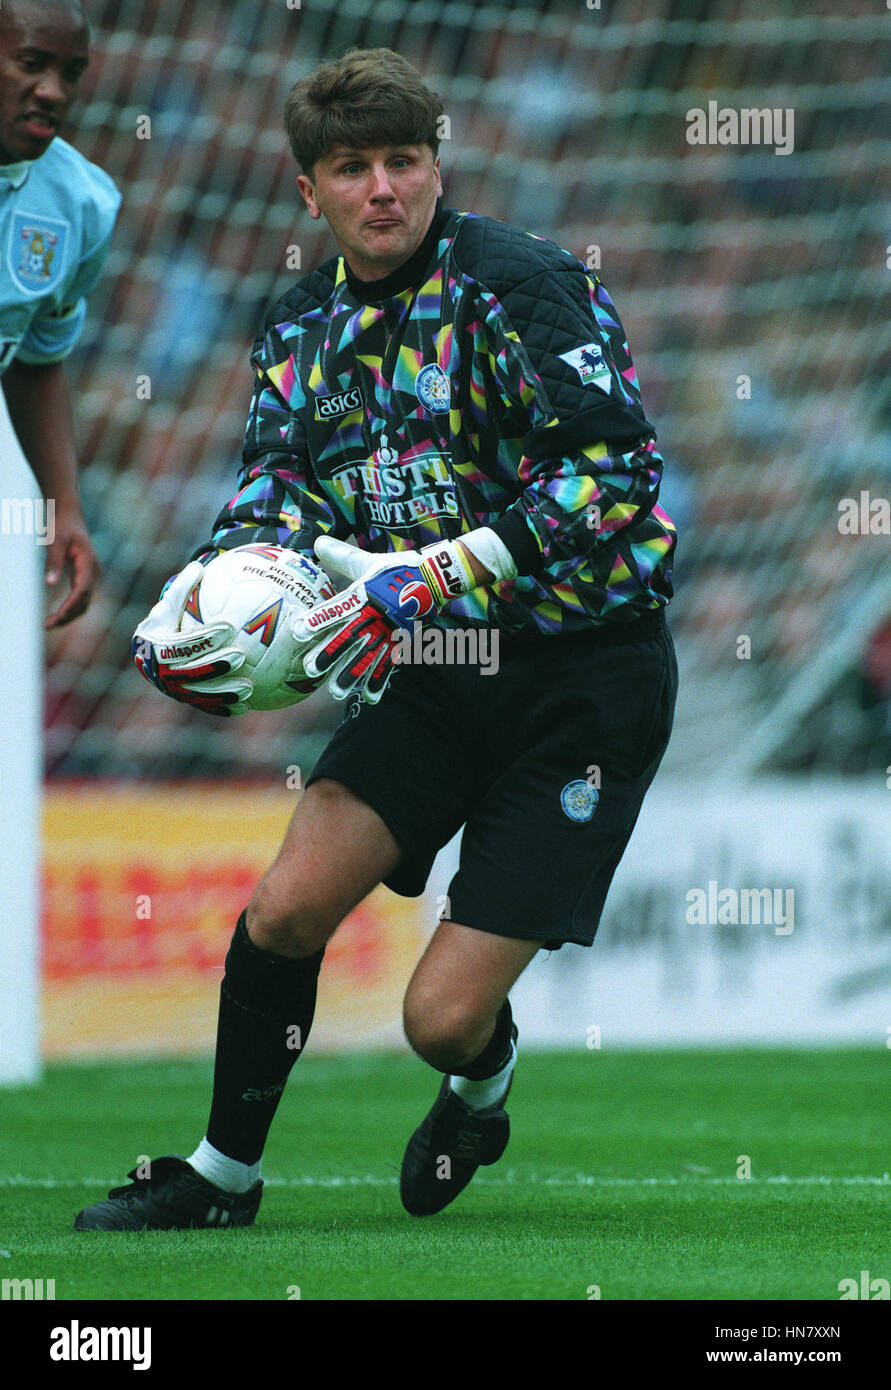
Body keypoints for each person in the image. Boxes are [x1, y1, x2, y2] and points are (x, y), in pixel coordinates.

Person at [75, 47, 678, 1231]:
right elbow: (278, 493)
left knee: (436, 1019)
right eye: (354, 168)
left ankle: (480, 1086)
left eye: (405, 160)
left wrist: (445, 568)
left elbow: (617, 471)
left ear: (437, 166)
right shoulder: (300, 328)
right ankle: (220, 1179)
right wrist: (217, 602)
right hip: (439, 668)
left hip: (585, 675)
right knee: (287, 905)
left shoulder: (520, 282)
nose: (385, 188)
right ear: (310, 191)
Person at [0, 0, 119, 629]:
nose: (52, 90)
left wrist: (62, 508)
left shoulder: (81, 204)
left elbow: (36, 362)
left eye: (70, 72)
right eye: (30, 63)